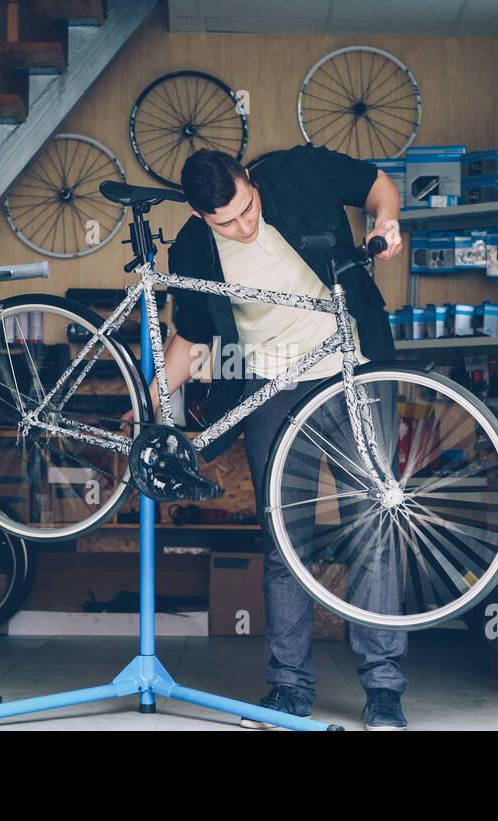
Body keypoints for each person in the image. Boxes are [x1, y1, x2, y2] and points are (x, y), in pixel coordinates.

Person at [158, 145, 408, 730]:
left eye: (247, 209)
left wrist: (385, 221)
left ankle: (385, 689)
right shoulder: (194, 249)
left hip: (354, 366)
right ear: (200, 217)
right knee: (284, 540)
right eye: (227, 222)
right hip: (270, 389)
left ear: (249, 180)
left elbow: (376, 184)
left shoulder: (299, 172)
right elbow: (192, 339)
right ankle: (290, 687)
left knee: (371, 525)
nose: (244, 227)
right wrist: (153, 400)